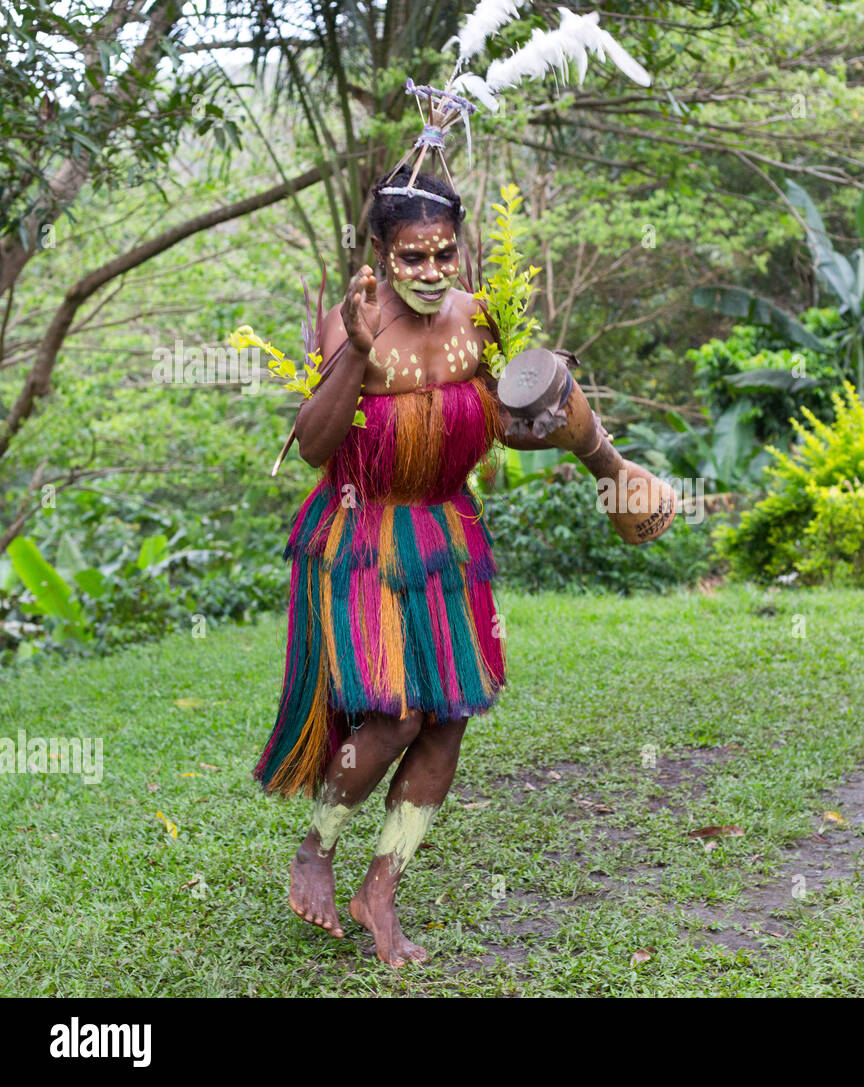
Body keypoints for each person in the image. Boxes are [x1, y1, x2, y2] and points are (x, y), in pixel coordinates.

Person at [253, 165, 546, 966]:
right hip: (359, 535)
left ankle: (381, 881)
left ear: (459, 249)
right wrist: (353, 344)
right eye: (411, 256)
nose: (428, 271)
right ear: (379, 254)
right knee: (396, 716)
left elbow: (511, 425)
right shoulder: (353, 320)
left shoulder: (483, 321)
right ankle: (317, 844)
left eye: (442, 254)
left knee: (449, 719)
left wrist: (560, 418)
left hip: (447, 535)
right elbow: (314, 444)